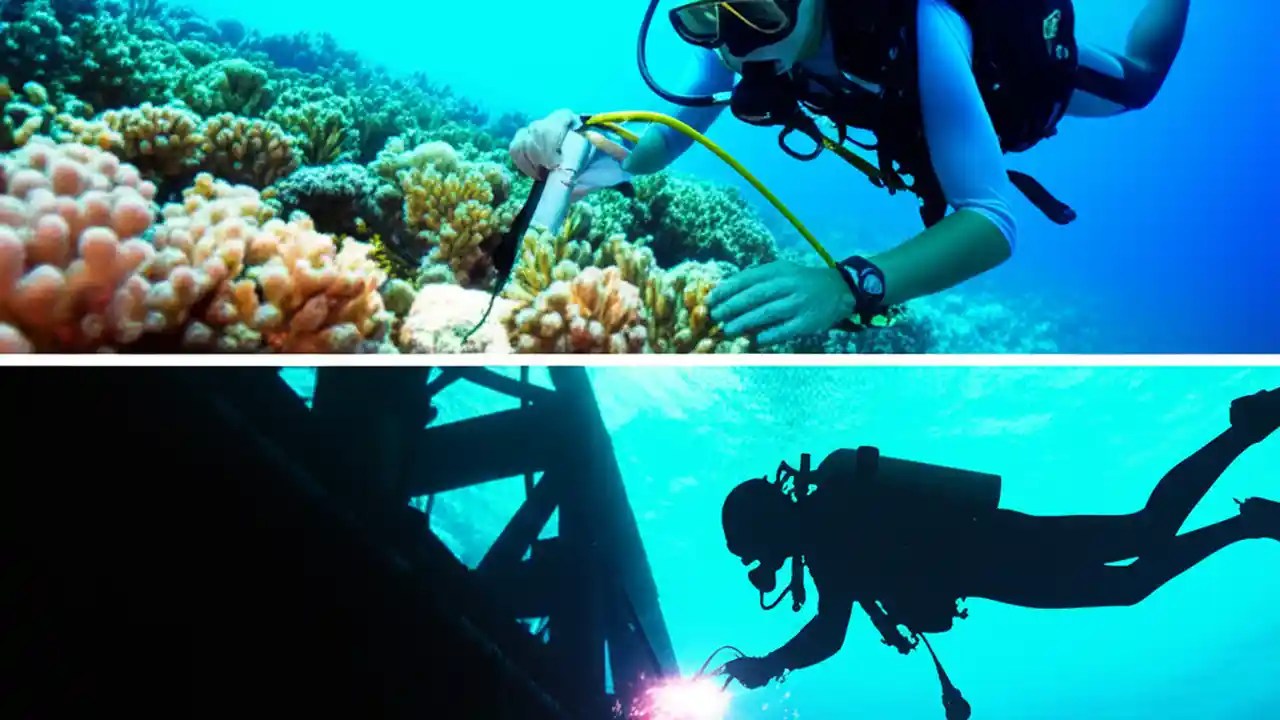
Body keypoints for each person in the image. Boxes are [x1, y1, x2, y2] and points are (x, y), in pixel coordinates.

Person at [508, 0, 1192, 347]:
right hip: (902, 110)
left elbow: (991, 216)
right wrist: (579, 145)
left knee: (1139, 83)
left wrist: (849, 285)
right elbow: (659, 146)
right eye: (701, 19)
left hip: (1010, 86)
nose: (736, 45)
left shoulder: (919, 23)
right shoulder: (740, 24)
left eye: (760, 12)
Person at [714, 387, 1280, 699]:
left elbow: (829, 634)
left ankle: (1246, 437)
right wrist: (772, 662)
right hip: (996, 559)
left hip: (1001, 552)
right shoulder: (826, 531)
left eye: (754, 552)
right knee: (1135, 562)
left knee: (1143, 535)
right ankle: (1247, 517)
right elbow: (832, 629)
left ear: (768, 528)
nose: (761, 566)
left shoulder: (829, 533)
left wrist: (770, 664)